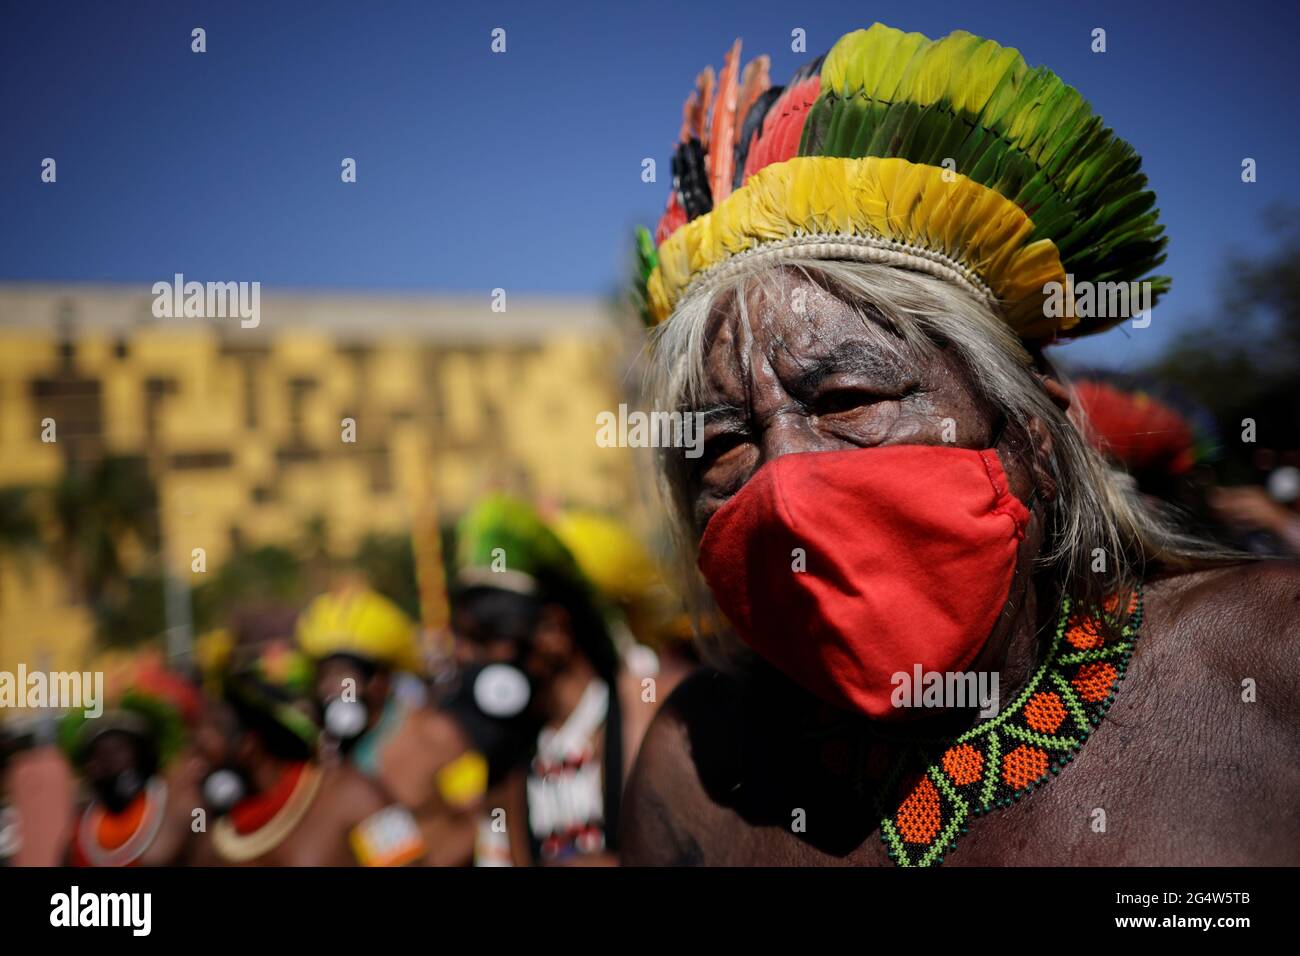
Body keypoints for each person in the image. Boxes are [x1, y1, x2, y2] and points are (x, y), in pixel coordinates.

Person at [621, 22, 1300, 866]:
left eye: (849, 399)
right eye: (724, 443)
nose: (786, 477)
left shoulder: (1272, 667)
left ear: (1035, 433)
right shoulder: (696, 772)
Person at [449, 495, 638, 865]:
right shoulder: (509, 757)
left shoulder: (640, 715)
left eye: (487, 637)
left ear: (553, 630)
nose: (468, 659)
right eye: (465, 642)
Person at [192, 640, 424, 867]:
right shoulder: (212, 834)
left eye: (209, 735)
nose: (194, 753)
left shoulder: (358, 795)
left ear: (248, 745)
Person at [60, 665, 202, 867]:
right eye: (98, 756)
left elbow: (202, 833)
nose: (107, 764)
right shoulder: (77, 839)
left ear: (145, 755)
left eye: (119, 751)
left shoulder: (188, 810)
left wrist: (195, 821)